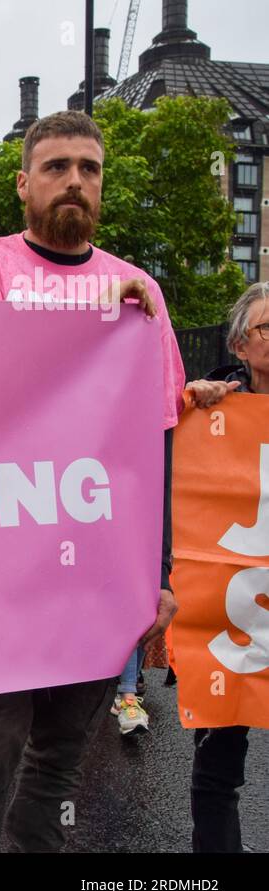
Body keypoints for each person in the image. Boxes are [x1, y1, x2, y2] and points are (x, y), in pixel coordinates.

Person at [0, 110, 185, 852]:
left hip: (96, 580)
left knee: (56, 767)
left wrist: (159, 572)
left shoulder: (138, 290)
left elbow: (156, 442)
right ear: (22, 184)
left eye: (89, 168)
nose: (75, 179)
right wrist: (92, 332)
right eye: (56, 166)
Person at [175, 280, 269, 852]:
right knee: (218, 771)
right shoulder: (215, 407)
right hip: (234, 617)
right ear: (239, 345)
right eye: (268, 328)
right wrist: (192, 398)